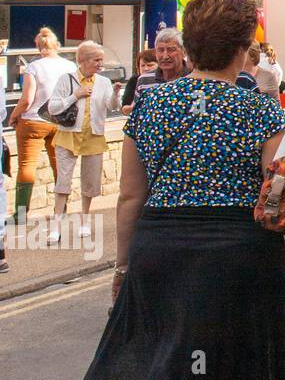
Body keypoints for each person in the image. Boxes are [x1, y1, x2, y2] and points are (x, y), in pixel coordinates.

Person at [74, 0, 285, 380]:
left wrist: (123, 267)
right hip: (241, 252)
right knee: (244, 371)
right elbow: (277, 204)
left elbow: (130, 196)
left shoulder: (152, 103)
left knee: (160, 364)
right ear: (242, 47)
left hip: (162, 244)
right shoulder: (261, 110)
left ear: (191, 46)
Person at [44, 41, 121, 241]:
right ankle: (56, 226)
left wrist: (115, 93)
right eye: (97, 60)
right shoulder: (66, 80)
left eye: (101, 60)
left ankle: (85, 221)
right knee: (63, 182)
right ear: (83, 61)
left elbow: (112, 106)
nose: (100, 64)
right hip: (68, 135)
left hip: (93, 136)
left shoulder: (103, 82)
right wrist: (74, 96)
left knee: (90, 183)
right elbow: (52, 108)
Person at [9, 27, 76, 223]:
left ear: (38, 46)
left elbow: (26, 100)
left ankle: (20, 215)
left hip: (33, 121)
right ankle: (61, 210)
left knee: (26, 166)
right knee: (59, 165)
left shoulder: (34, 67)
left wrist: (13, 116)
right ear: (56, 45)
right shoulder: (70, 67)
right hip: (60, 122)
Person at [122, 28, 188, 114]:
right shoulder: (144, 80)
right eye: (160, 50)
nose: (165, 56)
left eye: (171, 50)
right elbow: (138, 113)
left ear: (183, 52)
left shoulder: (195, 77)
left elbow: (201, 113)